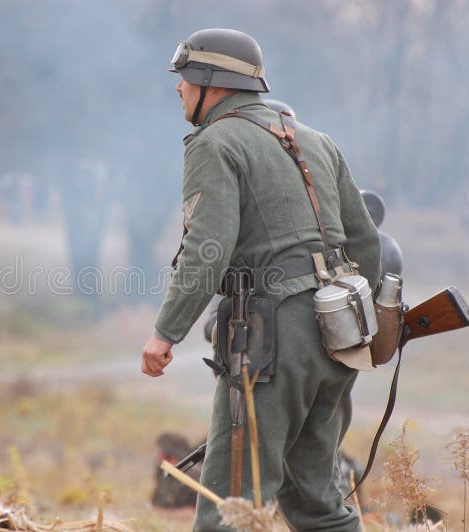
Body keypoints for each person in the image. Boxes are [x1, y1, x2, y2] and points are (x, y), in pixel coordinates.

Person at [140, 28, 380, 531]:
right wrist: (367, 326)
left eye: (185, 79)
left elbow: (208, 251)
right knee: (319, 506)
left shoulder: (215, 142)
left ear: (212, 83)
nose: (178, 89)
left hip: (272, 339)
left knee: (231, 506)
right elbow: (366, 244)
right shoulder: (316, 140)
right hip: (341, 334)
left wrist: (166, 333)